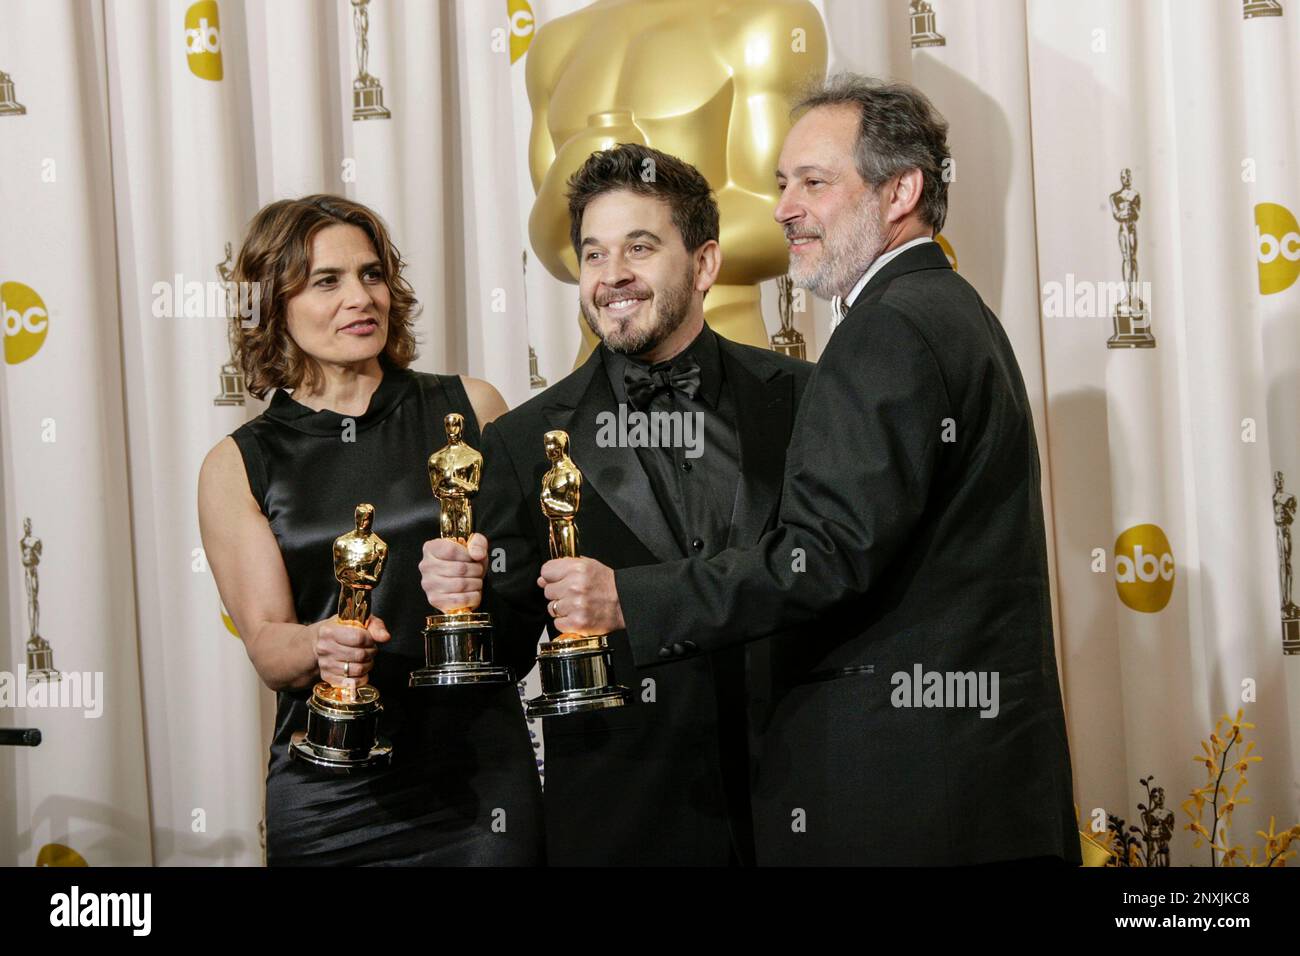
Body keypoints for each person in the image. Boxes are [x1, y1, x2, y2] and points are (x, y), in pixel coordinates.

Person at [541, 75, 1081, 865]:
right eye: (782, 184)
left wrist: (632, 596)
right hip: (964, 780)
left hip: (908, 796)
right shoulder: (949, 309)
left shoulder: (887, 331)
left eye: (814, 183)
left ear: (902, 191)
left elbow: (824, 555)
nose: (785, 208)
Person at [420, 144, 814, 865]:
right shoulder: (519, 441)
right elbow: (505, 649)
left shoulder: (806, 401)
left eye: (640, 247)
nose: (613, 278)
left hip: (803, 801)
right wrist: (460, 598)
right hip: (625, 817)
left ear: (704, 265)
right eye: (594, 255)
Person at [197, 194, 543, 865]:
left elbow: (528, 596)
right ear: (272, 305)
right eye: (327, 281)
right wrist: (321, 644)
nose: (361, 296)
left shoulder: (471, 407)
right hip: (331, 791)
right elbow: (269, 648)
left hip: (477, 777)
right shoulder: (239, 464)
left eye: (372, 274)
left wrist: (485, 584)